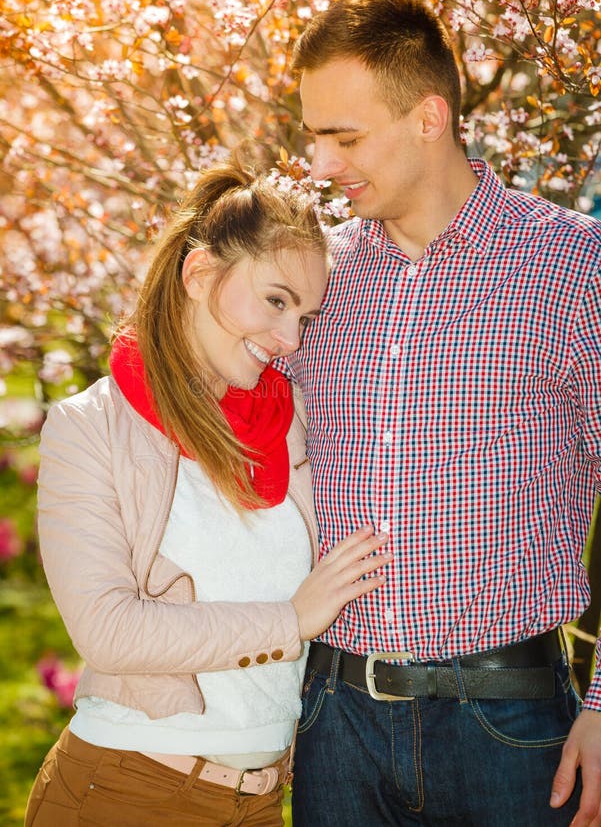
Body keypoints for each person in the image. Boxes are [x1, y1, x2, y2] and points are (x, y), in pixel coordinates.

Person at [283, 0, 601, 826]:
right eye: (314, 137)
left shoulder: (575, 269)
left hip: (510, 728)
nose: (320, 166)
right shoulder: (312, 281)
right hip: (332, 724)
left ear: (429, 117)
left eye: (344, 137)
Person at [24, 148, 392, 827]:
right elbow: (109, 630)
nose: (289, 338)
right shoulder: (91, 427)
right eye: (275, 301)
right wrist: (290, 621)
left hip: (261, 801)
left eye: (305, 317)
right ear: (198, 273)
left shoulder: (291, 421)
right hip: (125, 790)